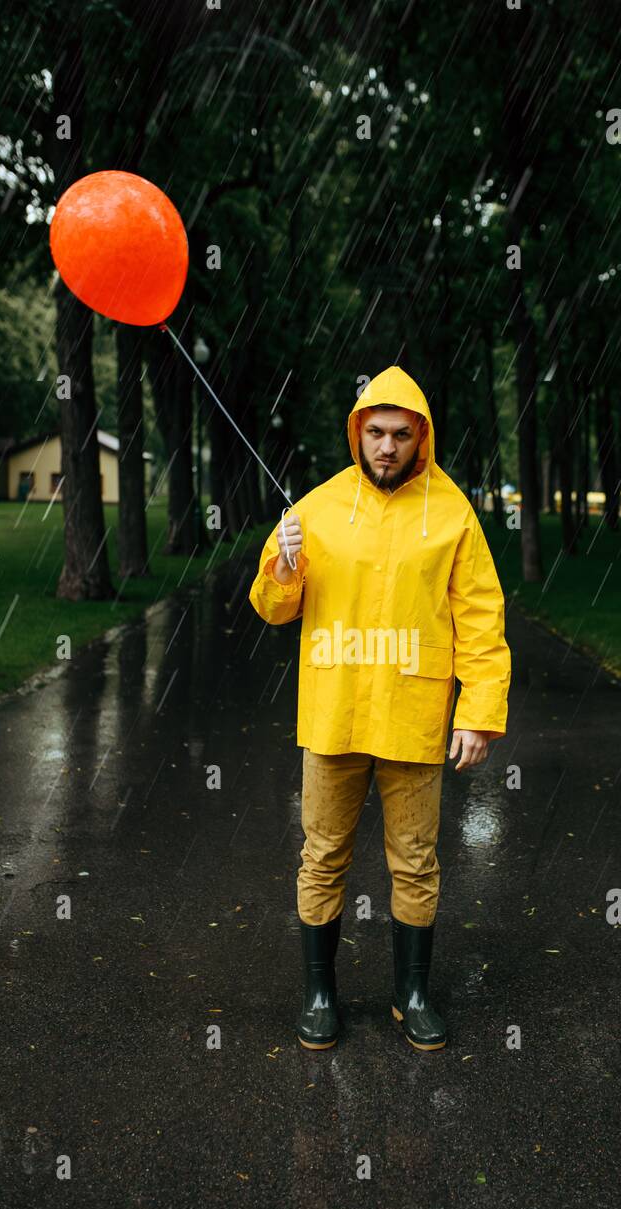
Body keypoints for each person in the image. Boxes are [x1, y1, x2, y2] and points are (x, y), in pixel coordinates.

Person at [248, 365, 511, 1052]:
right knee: (322, 855)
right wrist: (283, 566)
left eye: (400, 434)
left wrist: (479, 710)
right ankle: (318, 995)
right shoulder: (318, 508)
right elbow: (273, 607)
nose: (387, 447)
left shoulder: (452, 513)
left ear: (420, 436)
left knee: (416, 861)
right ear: (357, 435)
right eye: (375, 433)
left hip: (413, 716)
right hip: (334, 715)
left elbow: (480, 615)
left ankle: (412, 994)